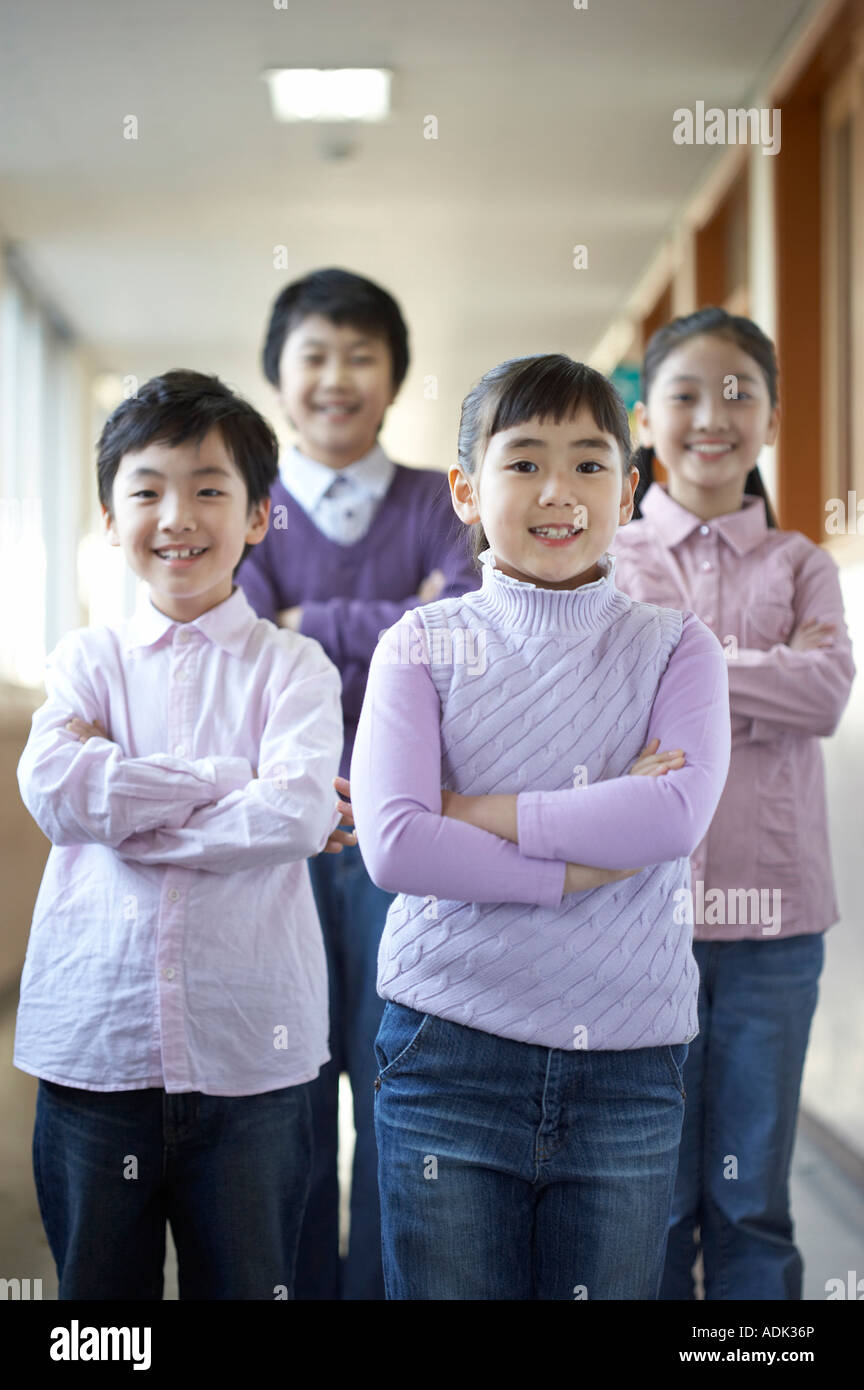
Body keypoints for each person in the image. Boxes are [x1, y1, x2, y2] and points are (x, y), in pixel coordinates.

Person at [349, 352, 732, 1300]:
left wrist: (470, 814)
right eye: (523, 462)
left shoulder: (679, 646)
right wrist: (575, 865)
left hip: (629, 1064)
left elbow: (672, 815)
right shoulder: (419, 643)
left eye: (590, 464)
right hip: (446, 1049)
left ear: (630, 490)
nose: (558, 491)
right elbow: (396, 845)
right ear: (466, 489)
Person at [15, 369, 347, 1300]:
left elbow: (297, 814)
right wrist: (224, 782)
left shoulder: (296, 667)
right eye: (148, 490)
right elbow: (53, 792)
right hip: (94, 1048)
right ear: (111, 521)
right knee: (96, 1309)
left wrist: (122, 805)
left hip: (251, 1059)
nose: (178, 515)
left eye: (209, 488)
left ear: (255, 517)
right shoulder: (85, 660)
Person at [237, 267, 479, 1301]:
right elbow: (243, 655)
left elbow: (462, 642)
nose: (338, 378)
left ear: (394, 378)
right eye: (316, 356)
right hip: (279, 840)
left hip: (405, 834)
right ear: (278, 377)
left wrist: (312, 626)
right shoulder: (242, 506)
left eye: (361, 356)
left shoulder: (440, 501)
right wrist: (395, 618)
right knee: (287, 1089)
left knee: (398, 1081)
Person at [608, 307, 856, 1300]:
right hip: (633, 920)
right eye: (684, 393)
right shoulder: (611, 561)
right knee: (653, 1204)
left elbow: (827, 693)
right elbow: (604, 709)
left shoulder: (804, 565)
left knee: (752, 1200)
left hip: (776, 926)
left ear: (772, 417)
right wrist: (761, 681)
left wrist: (682, 668)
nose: (713, 414)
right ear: (647, 420)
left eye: (739, 391)